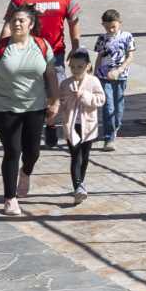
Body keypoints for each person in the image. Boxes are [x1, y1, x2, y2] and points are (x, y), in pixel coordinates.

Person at [0, 8, 59, 217]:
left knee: (33, 152)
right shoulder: (0, 47)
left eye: (21, 20)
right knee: (12, 150)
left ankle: (26, 172)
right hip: (4, 107)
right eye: (13, 20)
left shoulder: (42, 45)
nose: (16, 24)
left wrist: (55, 101)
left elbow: (51, 75)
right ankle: (10, 198)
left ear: (31, 24)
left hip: (35, 107)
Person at [9, 0, 80, 148]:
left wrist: (76, 47)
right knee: (30, 95)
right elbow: (9, 26)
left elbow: (74, 22)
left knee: (57, 94)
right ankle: (32, 129)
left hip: (55, 55)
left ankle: (52, 125)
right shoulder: (20, 0)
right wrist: (4, 50)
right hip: (28, 56)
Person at [57, 48, 105, 202]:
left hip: (88, 126)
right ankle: (78, 186)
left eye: (80, 67)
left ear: (88, 66)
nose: (76, 70)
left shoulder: (93, 81)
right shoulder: (65, 83)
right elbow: (61, 102)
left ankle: (81, 184)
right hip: (71, 125)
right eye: (72, 67)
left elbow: (101, 99)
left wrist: (85, 96)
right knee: (75, 155)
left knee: (84, 156)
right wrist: (67, 99)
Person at [93, 8, 134, 149]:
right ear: (103, 25)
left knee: (119, 107)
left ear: (119, 23)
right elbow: (99, 57)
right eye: (107, 27)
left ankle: (115, 126)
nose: (110, 30)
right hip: (104, 76)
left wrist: (119, 70)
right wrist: (95, 75)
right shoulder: (102, 39)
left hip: (121, 77)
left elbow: (130, 57)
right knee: (108, 106)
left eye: (113, 27)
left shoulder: (127, 36)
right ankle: (108, 138)